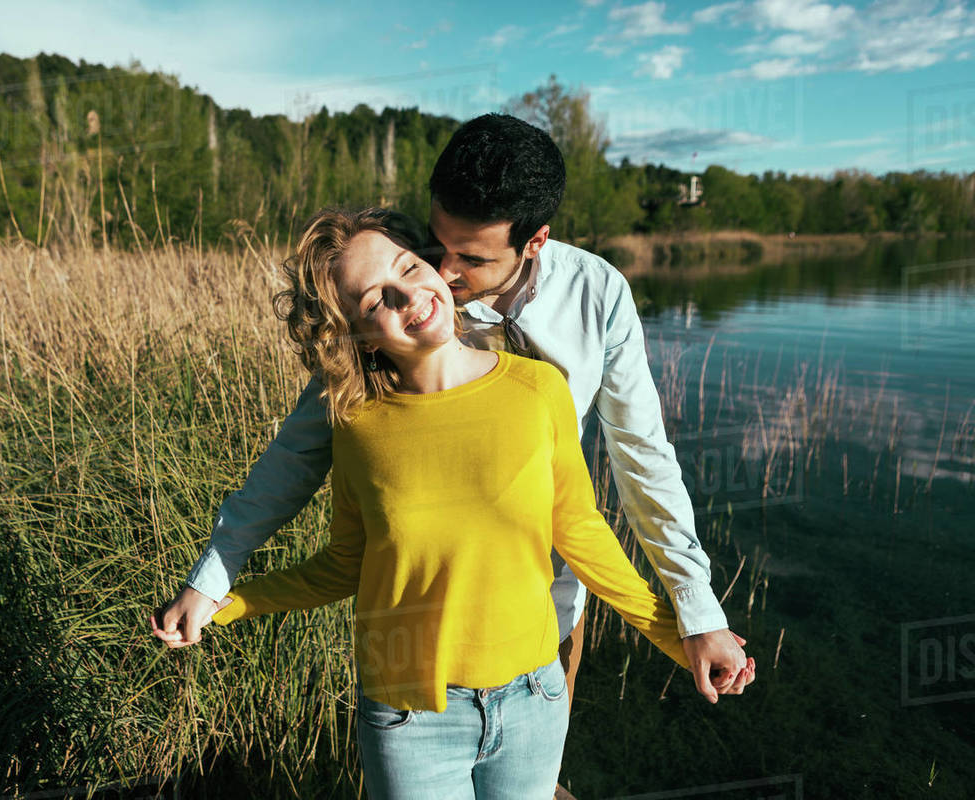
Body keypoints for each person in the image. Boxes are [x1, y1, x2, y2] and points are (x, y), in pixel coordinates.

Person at [154, 113, 755, 708]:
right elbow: (296, 456)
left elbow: (642, 460)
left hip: (548, 623)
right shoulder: (410, 300)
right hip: (423, 652)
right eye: (437, 244)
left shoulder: (597, 295)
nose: (443, 271)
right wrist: (213, 582)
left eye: (470, 257)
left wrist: (694, 612)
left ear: (535, 240)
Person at [199, 206, 693, 799]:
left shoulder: (538, 390)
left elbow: (582, 533)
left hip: (534, 699)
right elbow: (343, 566)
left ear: (434, 266)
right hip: (409, 722)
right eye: (375, 301)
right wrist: (227, 603)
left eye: (408, 267)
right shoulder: (358, 427)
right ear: (357, 335)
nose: (407, 295)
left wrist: (681, 633)